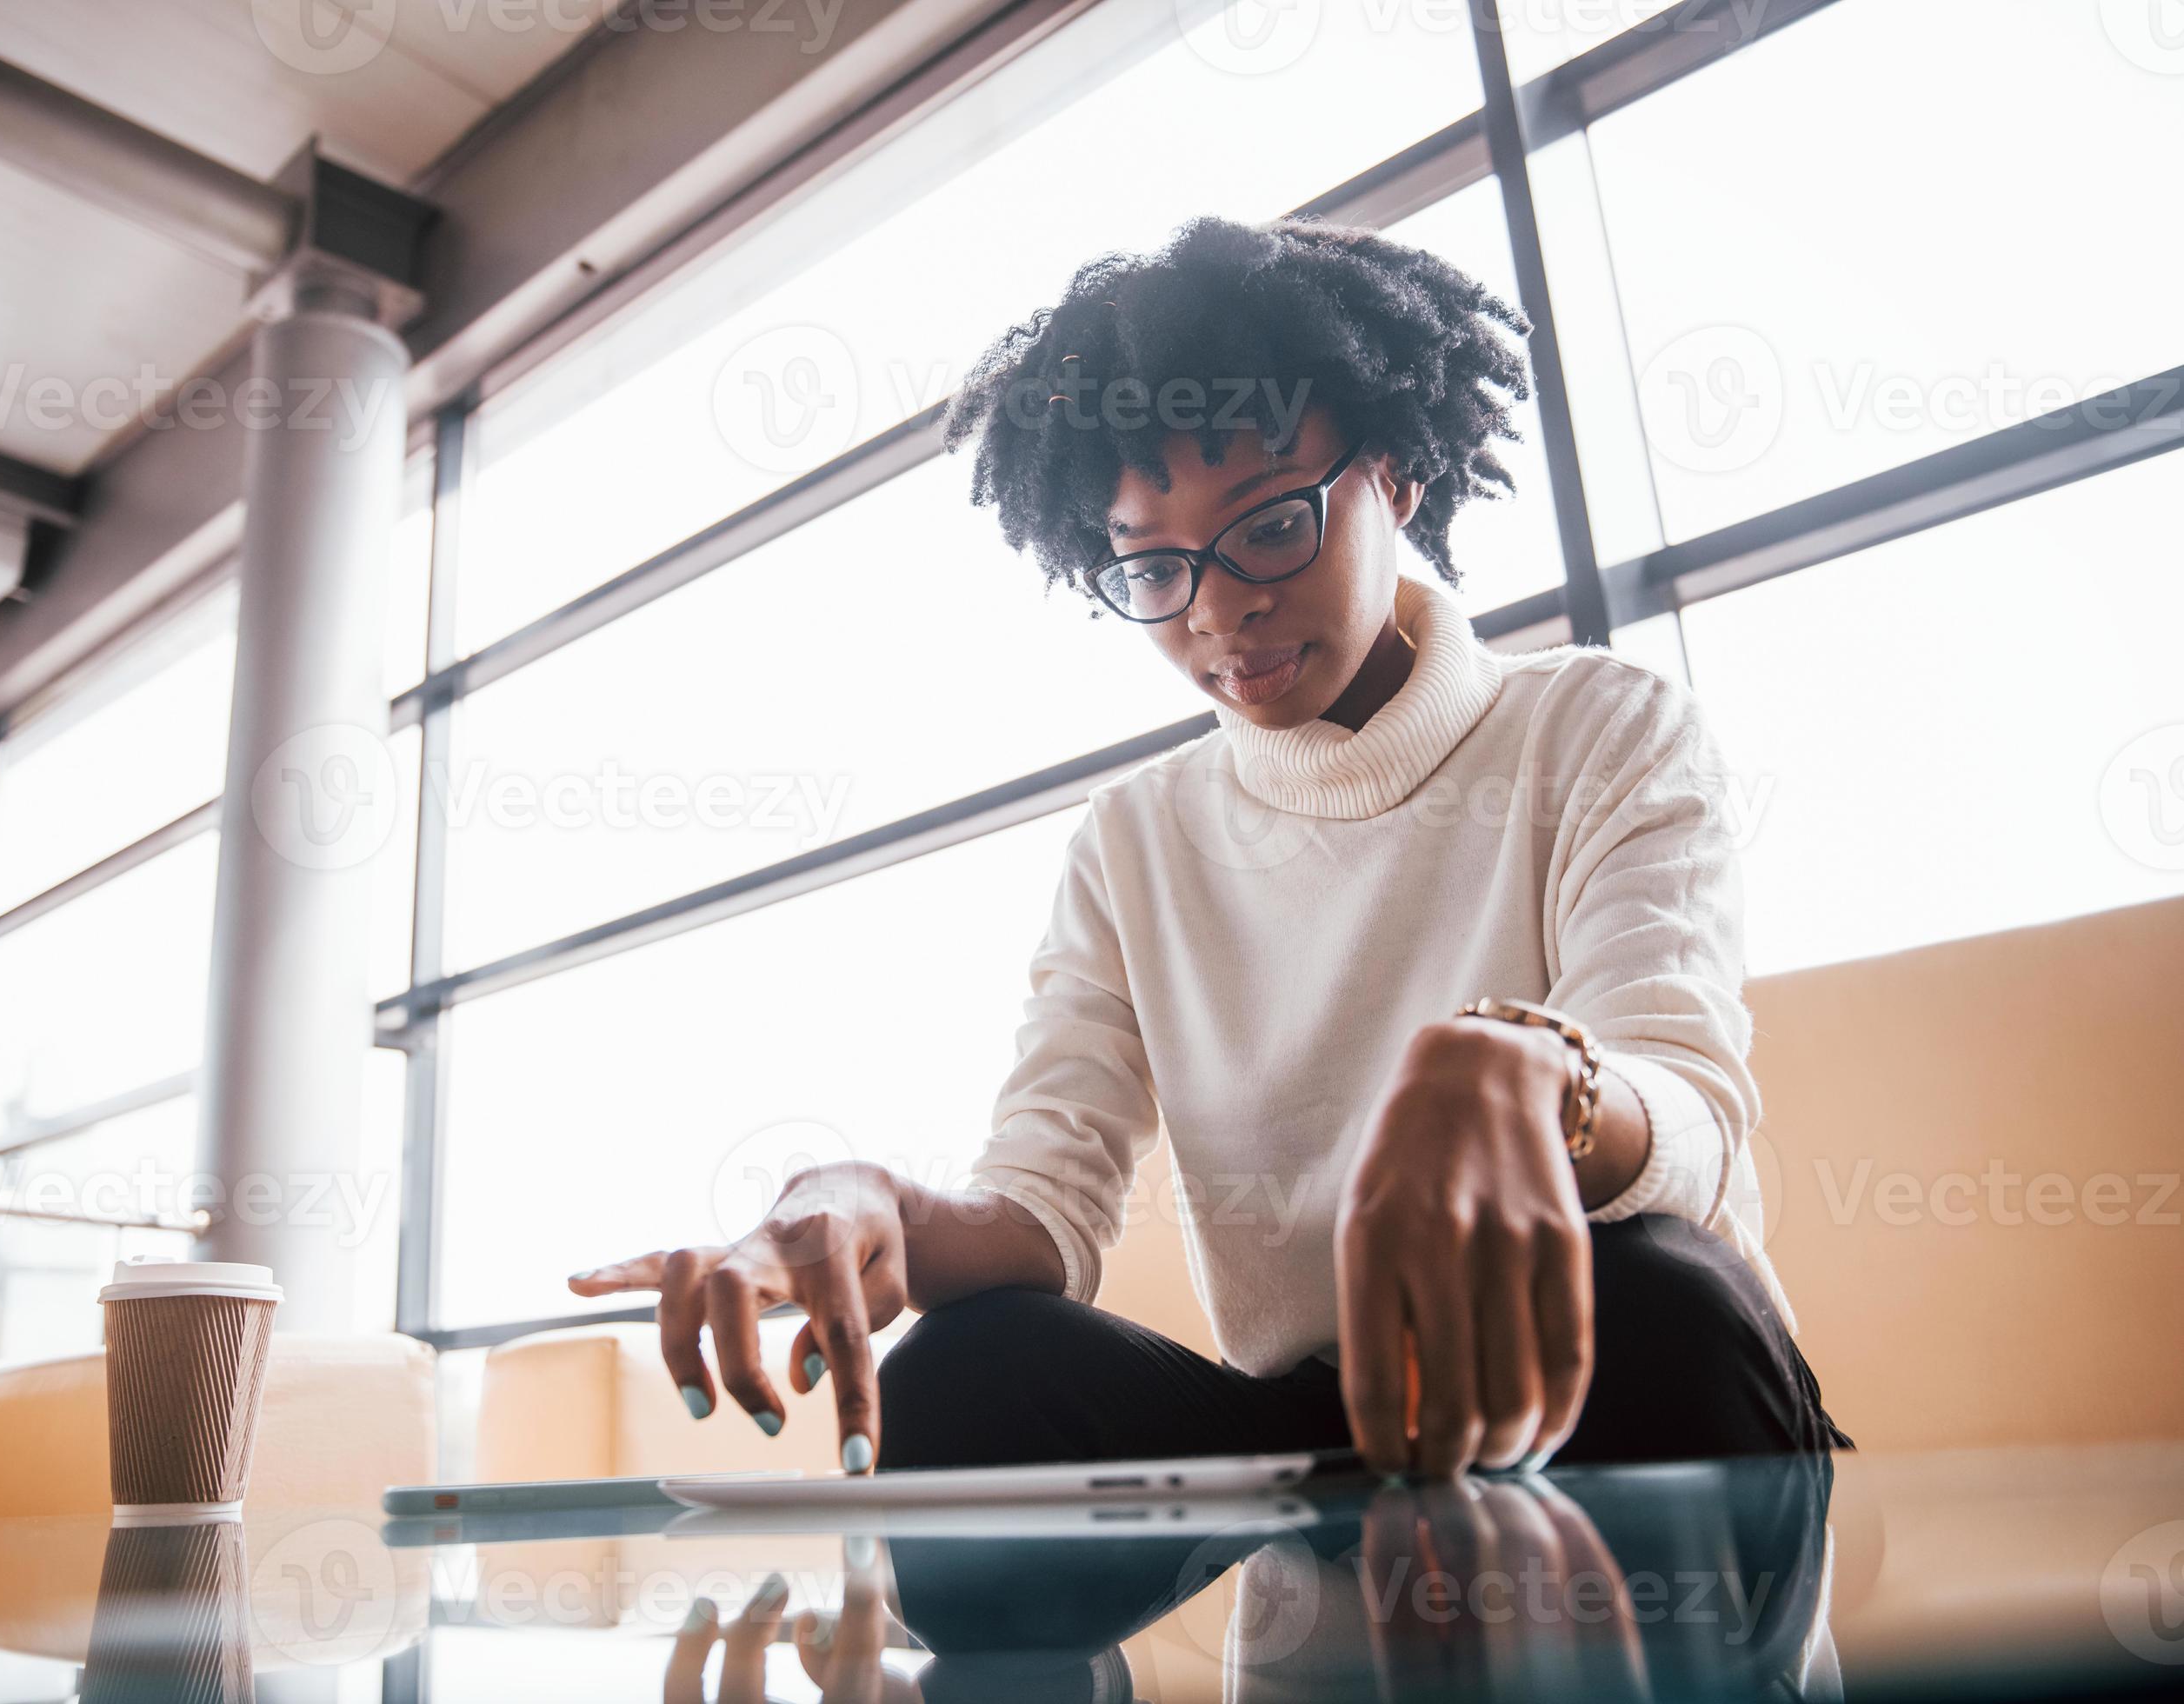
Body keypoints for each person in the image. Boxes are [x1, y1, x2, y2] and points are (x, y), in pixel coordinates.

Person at [571, 216, 1847, 1480]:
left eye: (1273, 527)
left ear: (1394, 477)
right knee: (971, 1376)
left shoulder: (1596, 727)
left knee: (1652, 1288)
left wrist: (1544, 1080)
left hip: (1597, 1377)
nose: (1222, 611)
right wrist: (867, 1203)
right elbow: (1045, 1210)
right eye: (1153, 567)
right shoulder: (1135, 840)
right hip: (1326, 1427)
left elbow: (1685, 1111)